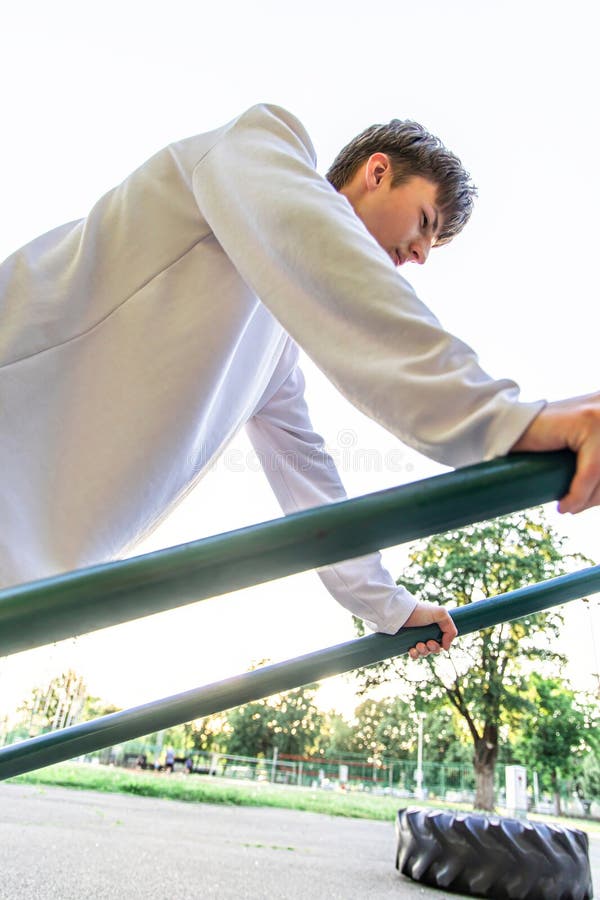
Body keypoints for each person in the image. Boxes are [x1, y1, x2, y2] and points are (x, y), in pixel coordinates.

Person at [1, 104, 598, 662]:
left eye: (432, 246)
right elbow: (341, 278)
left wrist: (388, 607)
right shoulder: (256, 146)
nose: (420, 254)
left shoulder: (275, 355)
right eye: (424, 222)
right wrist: (509, 420)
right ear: (377, 172)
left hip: (27, 572)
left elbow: (308, 476)